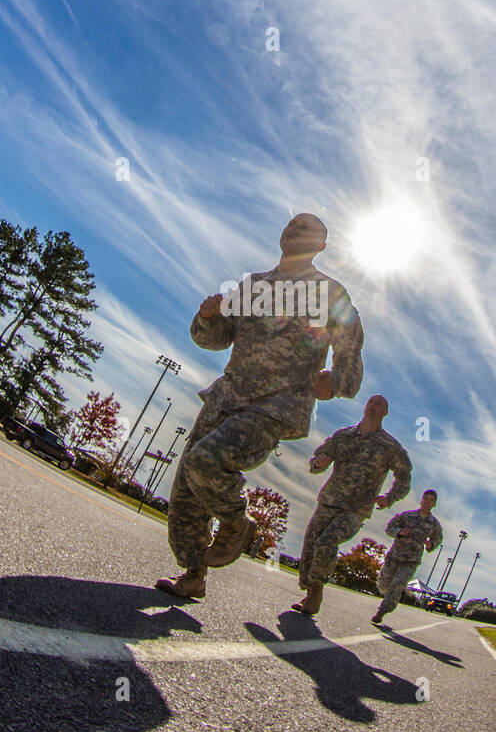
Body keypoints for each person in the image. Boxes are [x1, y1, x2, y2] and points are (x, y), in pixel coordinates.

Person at [155, 213, 364, 599]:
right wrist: (207, 317)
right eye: (291, 225)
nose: (294, 231)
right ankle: (193, 573)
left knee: (206, 461)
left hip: (277, 405)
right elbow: (216, 339)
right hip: (228, 394)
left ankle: (237, 521)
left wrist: (335, 383)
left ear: (320, 246)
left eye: (306, 230)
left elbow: (350, 351)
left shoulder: (331, 294)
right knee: (187, 484)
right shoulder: (252, 285)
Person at [290, 394, 411, 615]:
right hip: (329, 500)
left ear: (385, 412)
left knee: (327, 542)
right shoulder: (343, 435)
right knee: (310, 546)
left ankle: (316, 592)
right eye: (371, 402)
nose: (374, 406)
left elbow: (404, 477)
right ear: (365, 407)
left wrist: (390, 497)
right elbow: (317, 459)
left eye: (380, 404)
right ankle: (309, 589)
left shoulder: (390, 446)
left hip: (356, 508)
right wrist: (318, 462)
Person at [372, 490, 443, 624]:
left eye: (431, 500)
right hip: (394, 556)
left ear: (434, 504)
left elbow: (438, 539)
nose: (427, 502)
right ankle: (389, 597)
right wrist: (399, 532)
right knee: (383, 585)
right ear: (421, 500)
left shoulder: (434, 524)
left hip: (411, 561)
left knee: (398, 584)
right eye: (425, 498)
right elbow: (389, 528)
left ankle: (381, 611)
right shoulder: (407, 516)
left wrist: (430, 544)